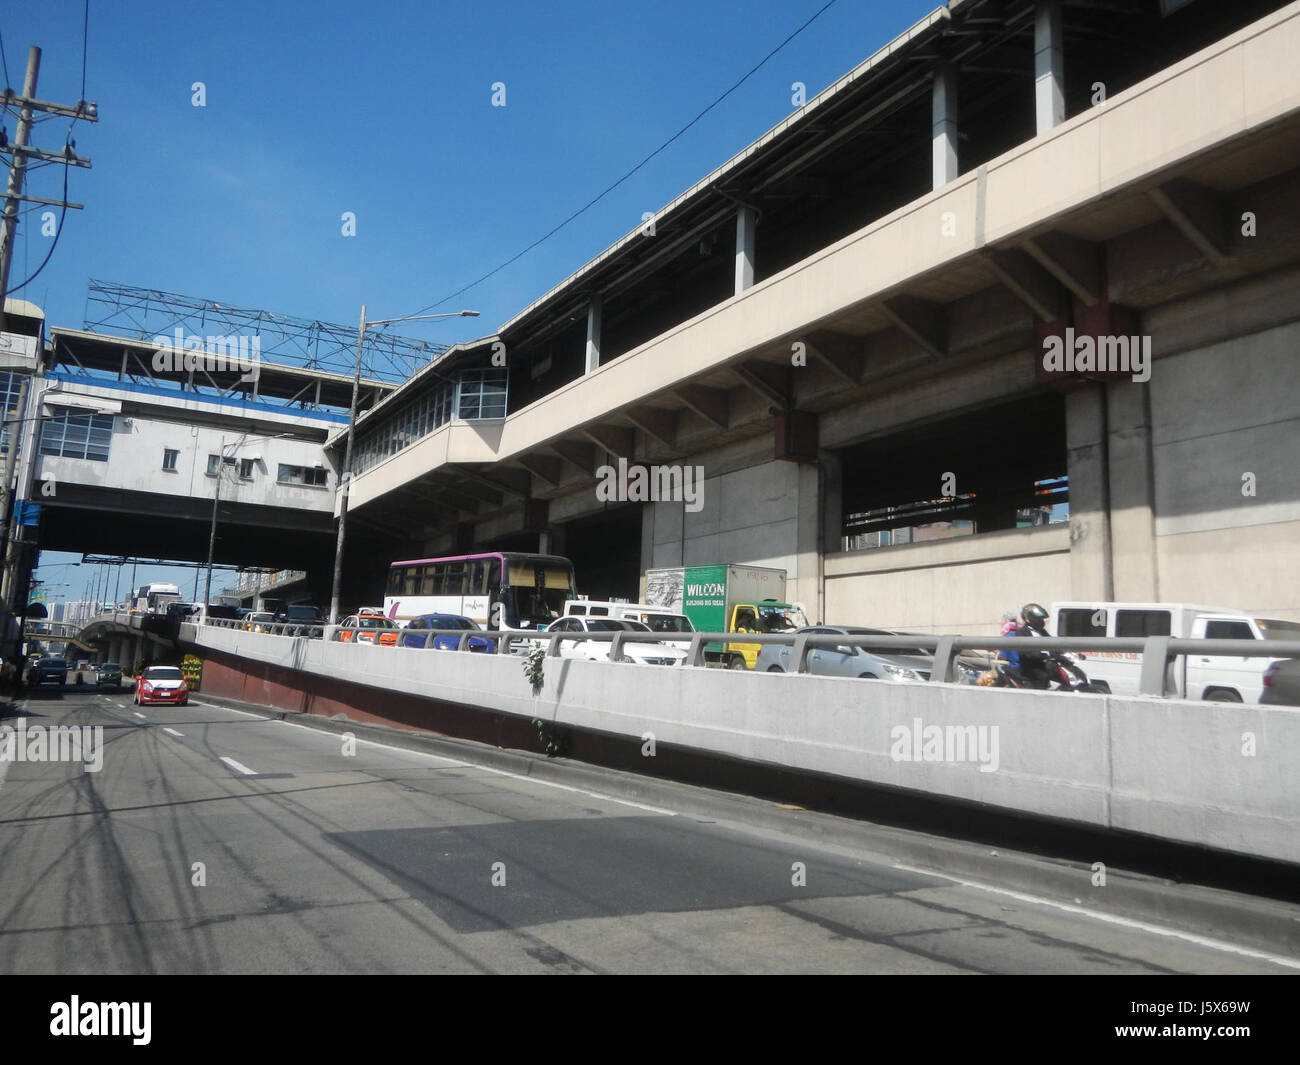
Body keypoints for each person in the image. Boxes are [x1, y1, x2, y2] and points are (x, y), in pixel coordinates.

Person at [999, 602, 1054, 688]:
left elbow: (1054, 643)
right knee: (1042, 677)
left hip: (1043, 666)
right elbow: (1025, 653)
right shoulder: (1021, 633)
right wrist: (1043, 655)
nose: (1041, 622)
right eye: (1038, 620)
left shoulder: (1043, 632)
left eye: (1042, 619)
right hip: (1030, 671)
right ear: (1029, 619)